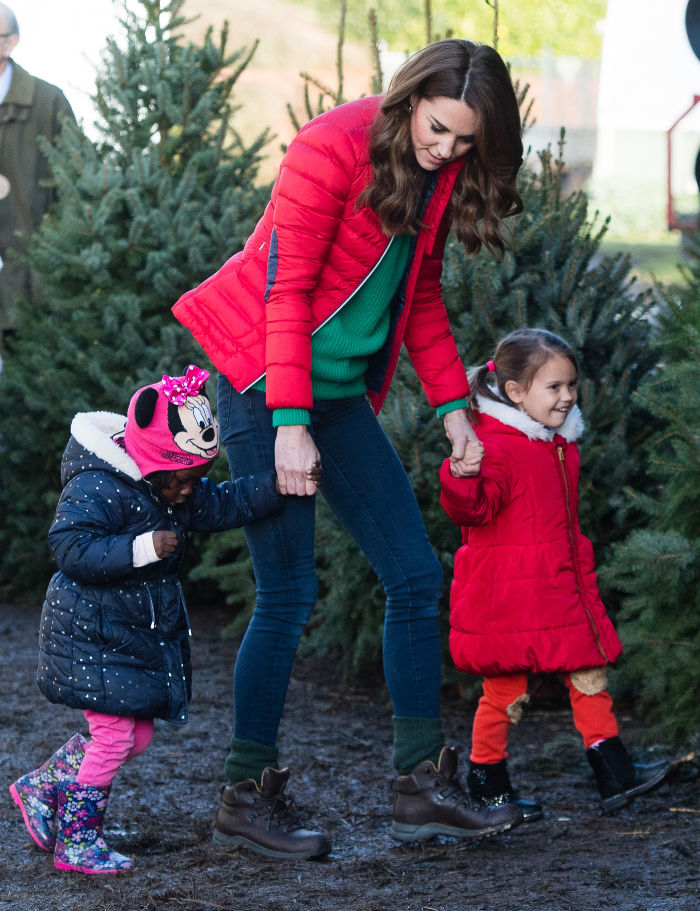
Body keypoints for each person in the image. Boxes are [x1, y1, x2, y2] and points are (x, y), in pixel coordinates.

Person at [172, 38, 524, 859]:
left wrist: (455, 412)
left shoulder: (436, 175)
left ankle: (418, 786)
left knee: (413, 572)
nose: (447, 151)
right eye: (439, 130)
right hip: (263, 374)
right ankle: (245, 791)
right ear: (409, 102)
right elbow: (284, 291)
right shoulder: (328, 148)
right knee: (289, 588)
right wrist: (288, 422)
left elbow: (421, 295)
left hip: (330, 391)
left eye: (466, 141)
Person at [8, 365, 283, 874]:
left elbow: (219, 503)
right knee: (113, 737)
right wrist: (141, 548)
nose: (186, 493)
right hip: (87, 630)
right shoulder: (98, 484)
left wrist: (278, 486)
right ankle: (79, 840)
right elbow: (69, 547)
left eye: (193, 480)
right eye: (181, 482)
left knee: (137, 737)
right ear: (155, 462)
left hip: (124, 632)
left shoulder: (165, 485)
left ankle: (43, 786)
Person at [439, 328, 672, 821]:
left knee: (589, 671)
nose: (567, 397)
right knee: (505, 690)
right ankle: (488, 786)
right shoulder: (498, 446)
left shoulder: (554, 444)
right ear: (515, 392)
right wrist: (461, 475)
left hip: (557, 586)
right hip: (511, 594)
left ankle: (615, 773)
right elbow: (474, 511)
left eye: (571, 385)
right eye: (554, 387)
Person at [0, 3, 76, 355]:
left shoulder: (48, 103)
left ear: (10, 43)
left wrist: (51, 247)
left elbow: (78, 185)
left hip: (29, 287)